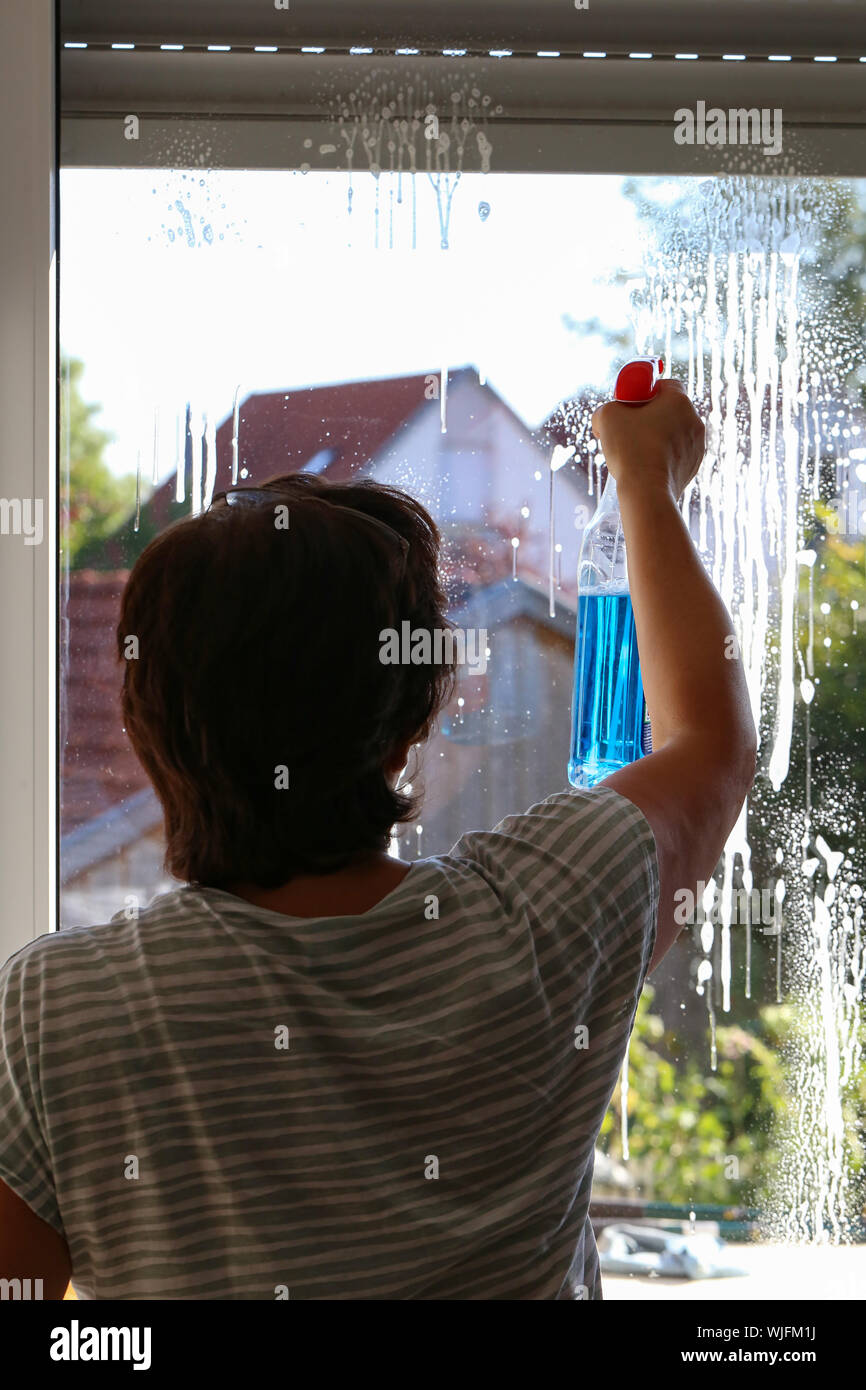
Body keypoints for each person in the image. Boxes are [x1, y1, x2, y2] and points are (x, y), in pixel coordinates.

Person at [0, 379, 756, 1300]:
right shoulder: (545, 916)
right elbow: (709, 742)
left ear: (144, 723)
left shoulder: (57, 1012)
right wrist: (645, 486)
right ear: (408, 724)